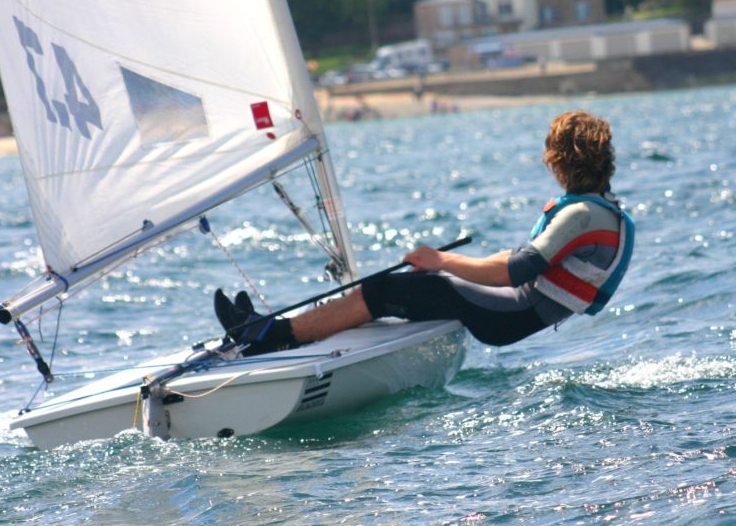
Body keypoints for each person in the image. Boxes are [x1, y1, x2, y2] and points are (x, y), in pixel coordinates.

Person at [215, 110, 634, 355]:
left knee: (382, 291)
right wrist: (442, 268)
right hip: (515, 313)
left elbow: (516, 271)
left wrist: (440, 259)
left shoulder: (581, 215)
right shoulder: (604, 210)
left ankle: (267, 335)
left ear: (559, 159)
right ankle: (298, 330)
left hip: (509, 316)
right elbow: (514, 267)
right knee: (410, 287)